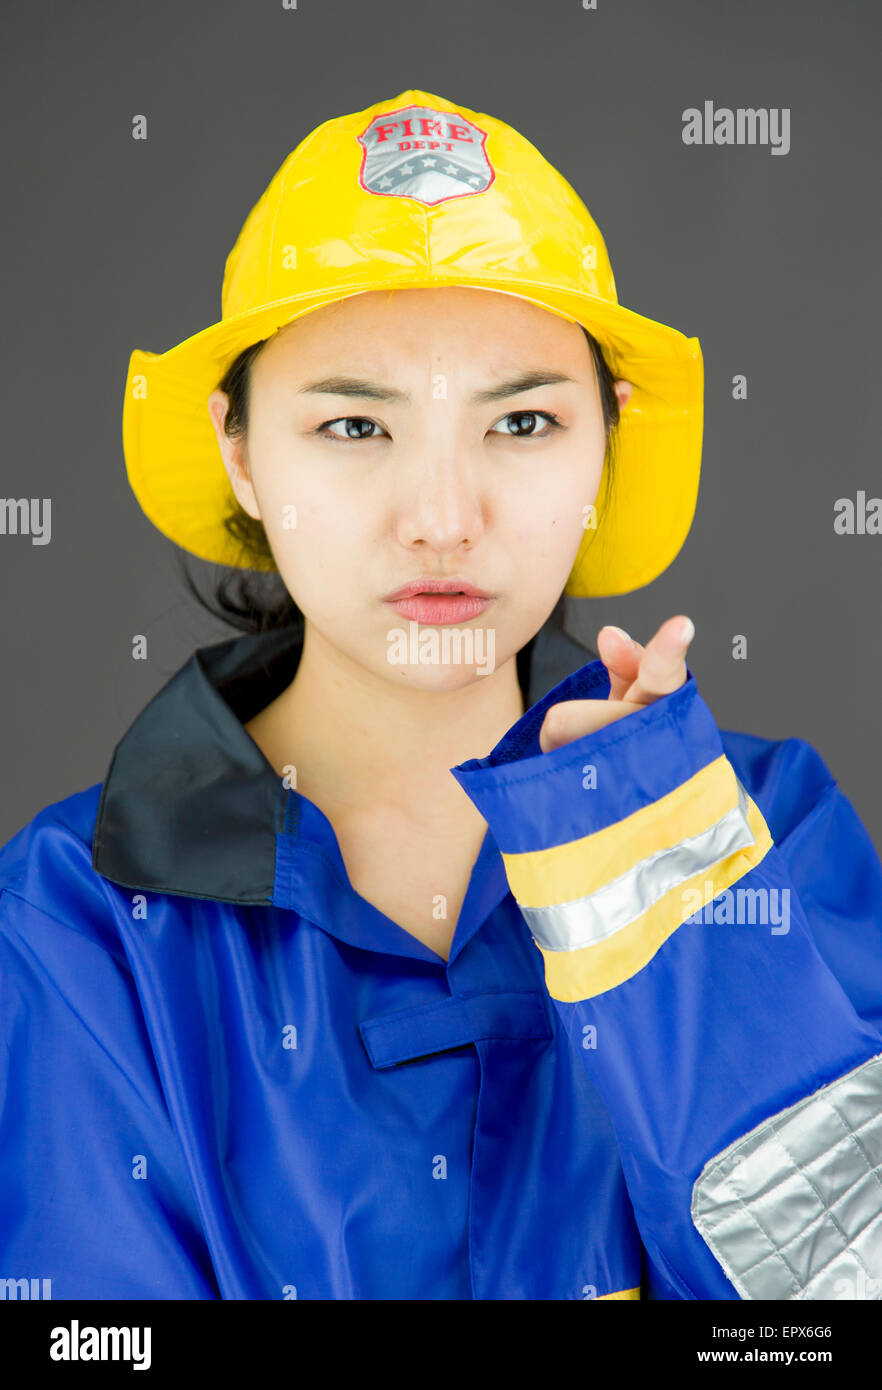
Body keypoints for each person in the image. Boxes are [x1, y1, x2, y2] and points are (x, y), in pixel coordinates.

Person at [2, 88, 882, 1302]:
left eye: (521, 421)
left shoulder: (763, 826)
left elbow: (836, 1299)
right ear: (243, 453)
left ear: (604, 449)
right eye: (356, 427)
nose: (441, 518)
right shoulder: (81, 923)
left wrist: (649, 859)